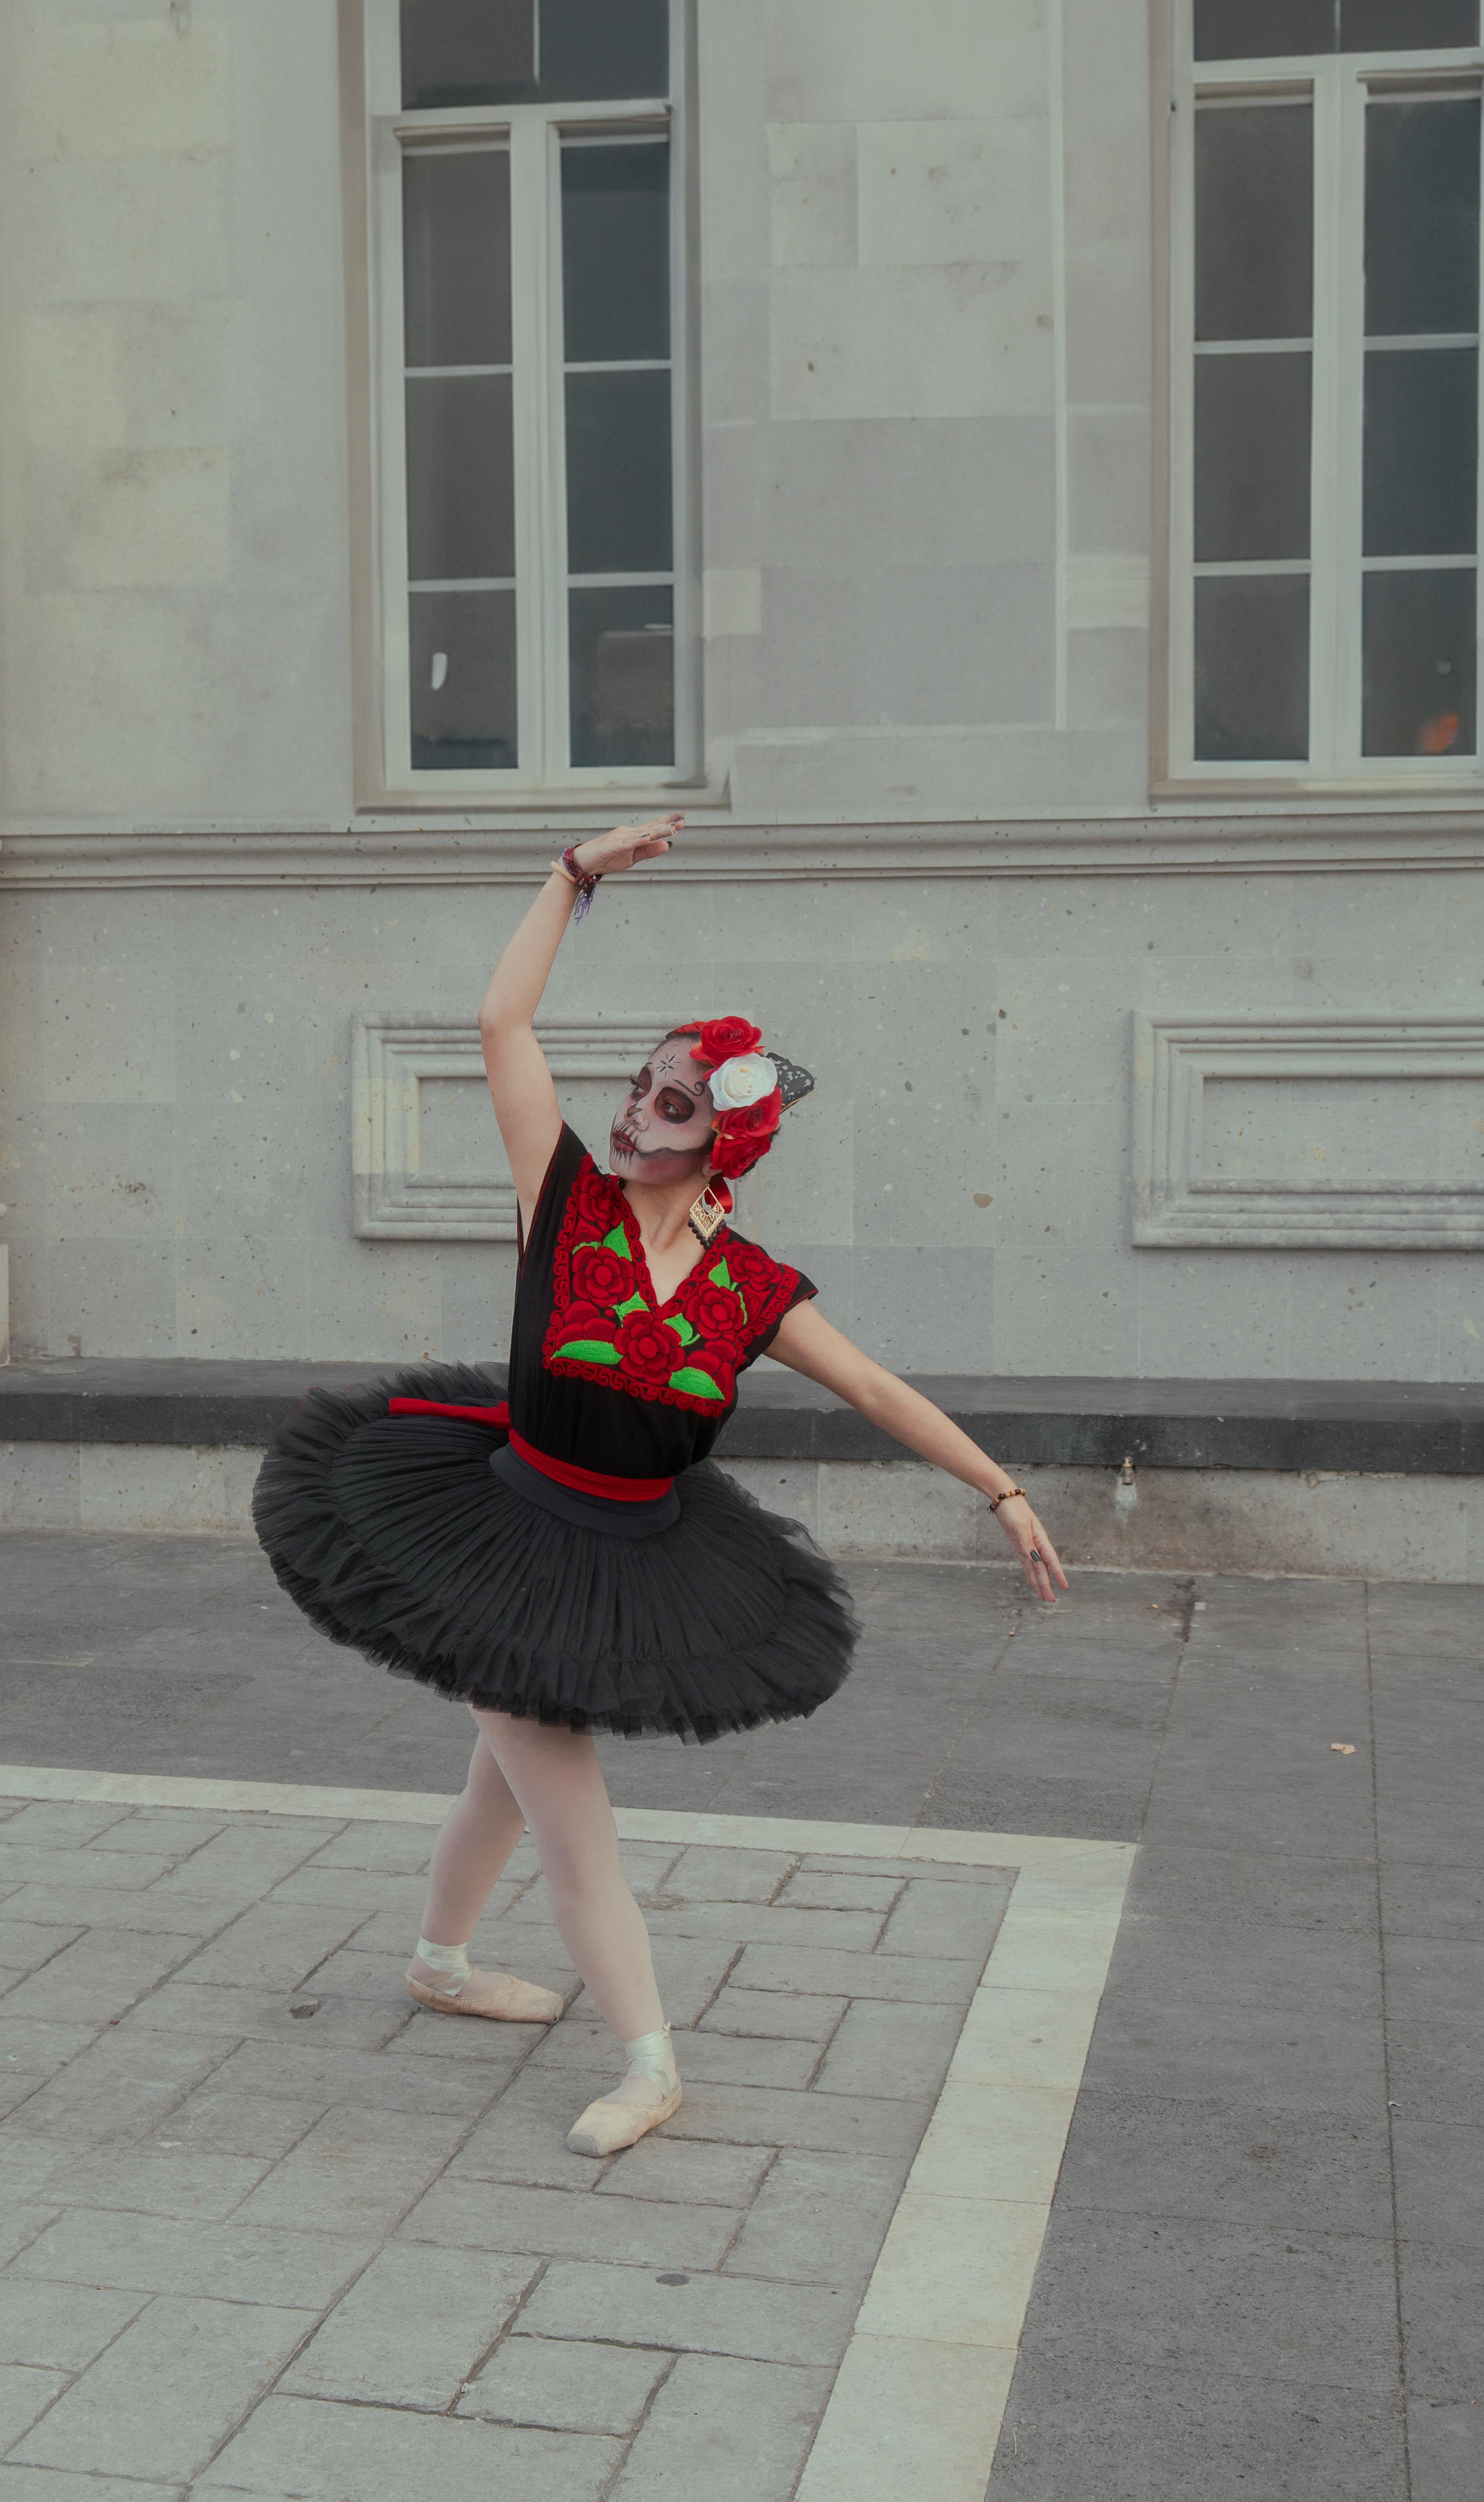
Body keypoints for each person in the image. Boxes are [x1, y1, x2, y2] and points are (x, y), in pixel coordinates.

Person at [253, 815, 1067, 2157]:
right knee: (575, 1824)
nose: (636, 1109)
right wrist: (570, 881)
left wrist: (1002, 1490)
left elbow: (873, 1388)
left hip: (636, 1551)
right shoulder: (562, 1199)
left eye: (673, 1104)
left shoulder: (753, 1287)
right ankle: (649, 2061)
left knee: (500, 1784)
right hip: (506, 1537)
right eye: (641, 1085)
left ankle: (439, 1962)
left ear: (723, 1146)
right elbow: (502, 1027)